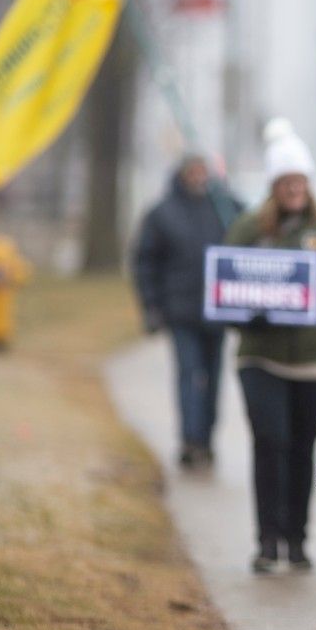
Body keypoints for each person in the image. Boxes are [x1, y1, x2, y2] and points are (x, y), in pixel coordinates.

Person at [225, 118, 316, 574]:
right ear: (273, 186)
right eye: (285, 181)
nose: (293, 188)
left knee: (302, 446)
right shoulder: (250, 227)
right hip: (260, 357)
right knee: (270, 441)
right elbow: (225, 280)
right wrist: (247, 309)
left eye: (300, 181)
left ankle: (297, 538)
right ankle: (267, 540)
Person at [133, 154, 242, 469]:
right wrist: (151, 306)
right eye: (192, 172)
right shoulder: (163, 213)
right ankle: (190, 439)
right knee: (188, 376)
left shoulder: (224, 208)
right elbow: (145, 262)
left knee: (213, 378)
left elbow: (251, 230)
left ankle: (207, 438)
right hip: (181, 313)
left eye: (202, 172)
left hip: (218, 314)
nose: (198, 177)